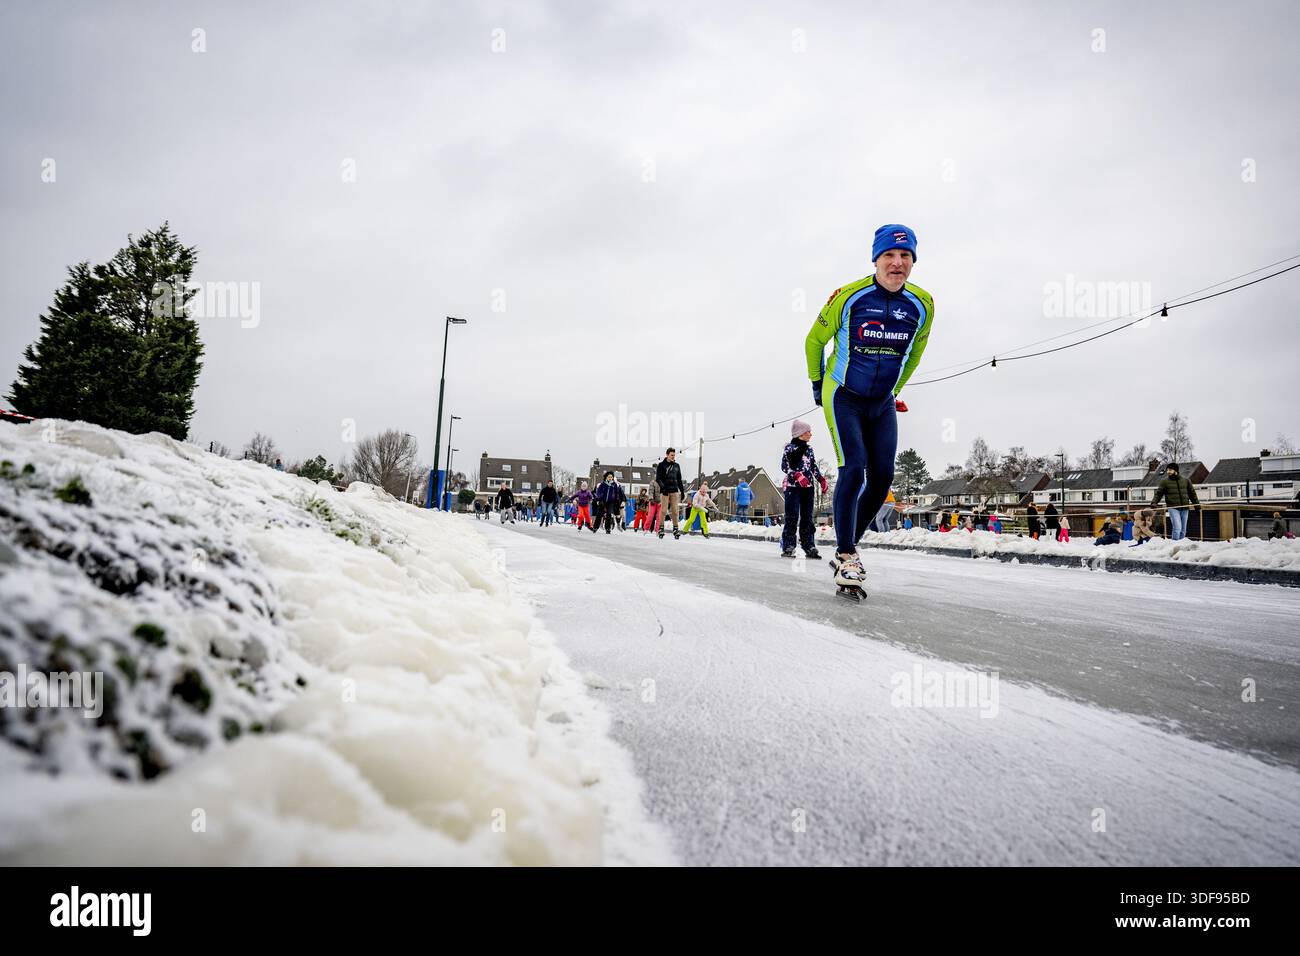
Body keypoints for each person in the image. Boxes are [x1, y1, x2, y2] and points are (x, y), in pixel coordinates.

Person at [806, 224, 934, 592]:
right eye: (889, 256)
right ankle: (846, 555)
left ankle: (849, 545)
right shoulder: (849, 296)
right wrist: (818, 384)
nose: (897, 263)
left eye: (905, 256)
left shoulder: (922, 304)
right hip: (843, 394)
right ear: (875, 259)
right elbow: (814, 341)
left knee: (882, 479)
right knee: (854, 469)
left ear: (913, 261)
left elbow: (914, 355)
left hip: (881, 401)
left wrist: (894, 390)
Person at [780, 420, 827, 558]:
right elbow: (785, 467)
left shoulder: (809, 449)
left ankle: (809, 545)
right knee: (792, 516)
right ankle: (788, 545)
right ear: (800, 434)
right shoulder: (789, 449)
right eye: (808, 432)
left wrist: (821, 479)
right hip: (793, 488)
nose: (811, 434)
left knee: (807, 517)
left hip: (808, 488)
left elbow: (813, 466)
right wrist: (797, 475)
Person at [1150, 462, 1200, 541]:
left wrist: (1197, 506)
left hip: (1185, 508)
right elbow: (1158, 493)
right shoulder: (1165, 482)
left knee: (1183, 530)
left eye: (1170, 470)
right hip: (1173, 508)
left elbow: (1192, 494)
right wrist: (1154, 502)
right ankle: (1174, 544)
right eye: (1167, 470)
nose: (1168, 472)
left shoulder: (1186, 481)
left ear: (1175, 470)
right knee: (1177, 528)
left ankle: (1180, 546)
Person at [653, 447, 688, 539]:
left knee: (675, 511)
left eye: (674, 455)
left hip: (674, 491)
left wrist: (682, 491)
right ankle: (661, 528)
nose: (673, 456)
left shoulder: (677, 466)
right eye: (671, 455)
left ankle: (676, 529)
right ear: (667, 455)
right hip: (665, 491)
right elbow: (658, 478)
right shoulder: (661, 465)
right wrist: (663, 488)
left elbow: (679, 479)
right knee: (664, 510)